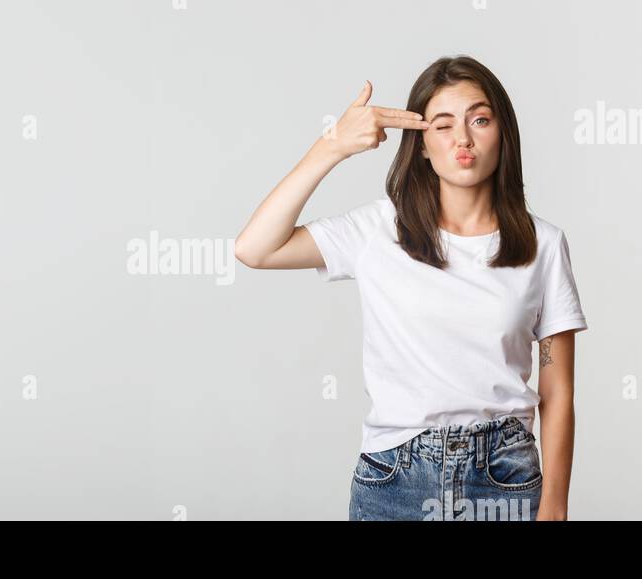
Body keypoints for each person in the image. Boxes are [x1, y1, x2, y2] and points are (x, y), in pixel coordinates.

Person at [233, 56, 588, 521]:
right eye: (442, 126)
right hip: (395, 478)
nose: (463, 138)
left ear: (503, 134)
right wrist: (333, 146)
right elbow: (255, 248)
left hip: (505, 478)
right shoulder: (378, 229)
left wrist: (555, 507)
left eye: (479, 120)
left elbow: (557, 388)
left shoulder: (543, 244)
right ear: (421, 145)